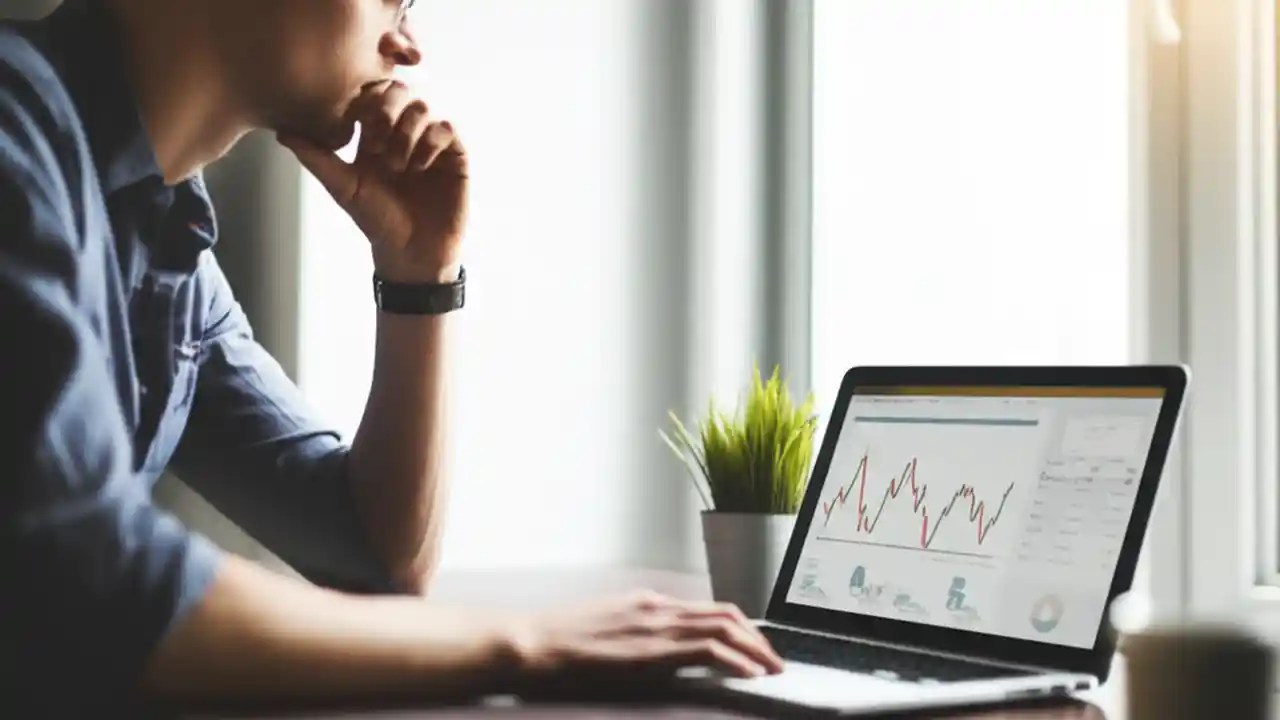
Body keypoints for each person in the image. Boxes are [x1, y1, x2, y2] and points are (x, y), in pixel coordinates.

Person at [0, 0, 782, 712]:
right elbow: (93, 582)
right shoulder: (12, 129)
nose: (406, 46)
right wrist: (521, 645)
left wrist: (420, 276)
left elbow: (377, 561)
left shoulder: (164, 248)